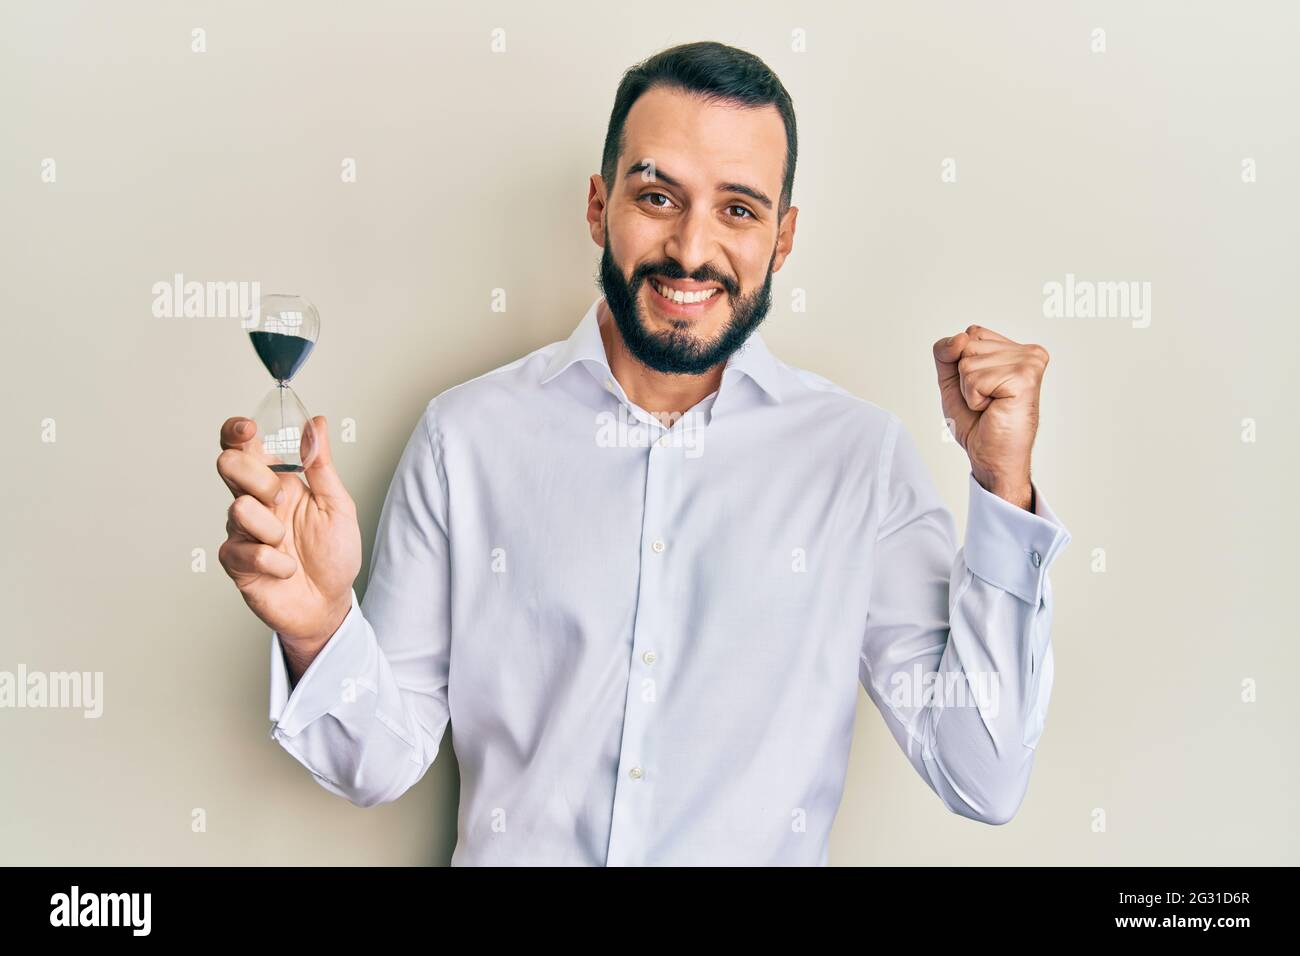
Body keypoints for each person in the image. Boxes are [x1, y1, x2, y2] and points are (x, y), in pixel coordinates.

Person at [216, 41, 1071, 865]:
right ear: (599, 206)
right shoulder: (466, 438)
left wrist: (1001, 488)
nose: (693, 250)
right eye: (658, 197)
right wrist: (320, 626)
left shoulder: (860, 461)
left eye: (738, 209)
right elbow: (379, 762)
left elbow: (982, 773)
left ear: (783, 238)